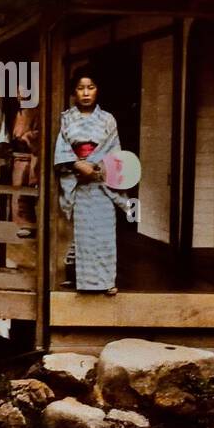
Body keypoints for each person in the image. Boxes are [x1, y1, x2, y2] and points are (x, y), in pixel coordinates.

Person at [54, 71, 131, 295]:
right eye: (80, 88)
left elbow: (114, 152)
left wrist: (95, 166)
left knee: (105, 234)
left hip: (100, 183)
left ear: (98, 90)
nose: (86, 93)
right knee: (83, 234)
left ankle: (106, 281)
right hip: (78, 182)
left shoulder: (107, 119)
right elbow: (62, 148)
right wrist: (77, 165)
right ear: (73, 92)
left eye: (91, 87)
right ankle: (83, 281)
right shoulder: (67, 118)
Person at [6, 87, 40, 232]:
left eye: (23, 92)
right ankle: (17, 223)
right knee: (16, 192)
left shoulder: (35, 112)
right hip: (17, 156)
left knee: (24, 192)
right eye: (18, 92)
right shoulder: (18, 113)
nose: (20, 96)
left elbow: (38, 133)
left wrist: (26, 138)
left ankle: (27, 224)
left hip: (28, 156)